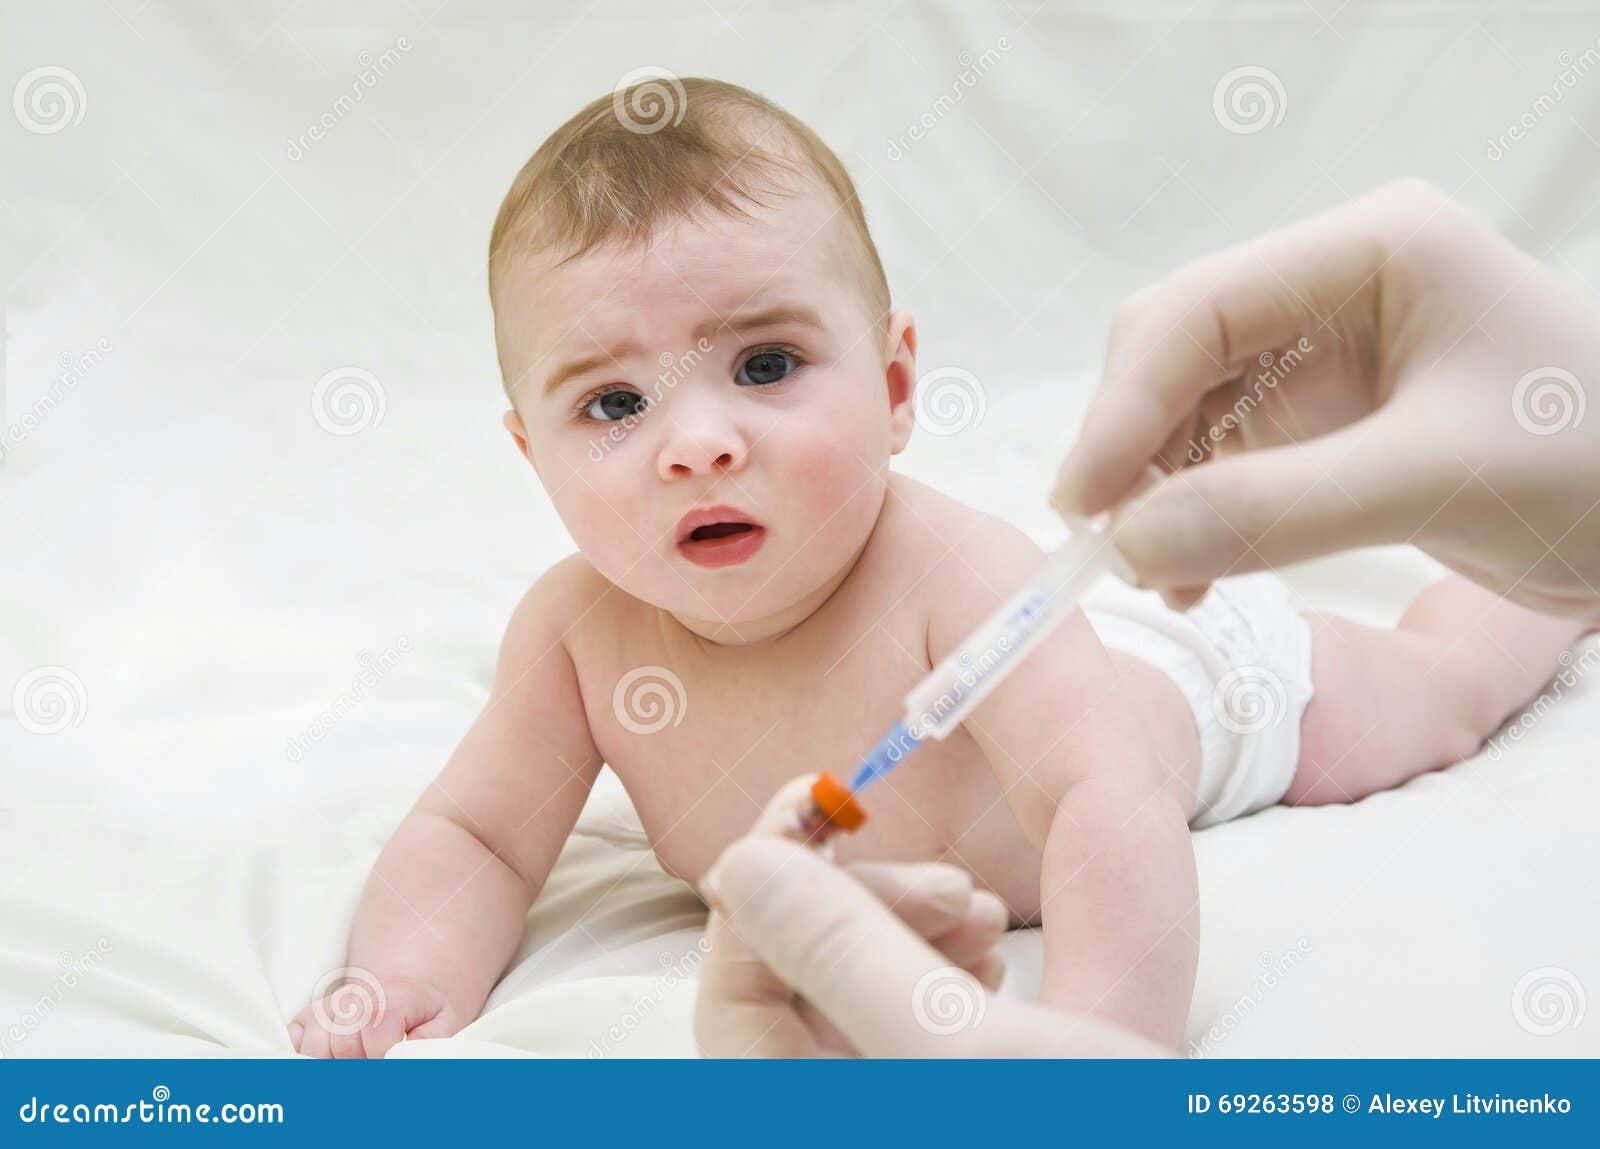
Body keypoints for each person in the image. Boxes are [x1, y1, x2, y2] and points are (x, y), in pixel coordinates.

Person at [694, 182, 1600, 1057]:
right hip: (1089, 611)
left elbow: (1111, 795)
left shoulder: (946, 567)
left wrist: (1098, 1046)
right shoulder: (606, 636)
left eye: (765, 365)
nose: (698, 447)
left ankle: (1562, 585)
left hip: (1211, 677)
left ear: (893, 384)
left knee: (1446, 682)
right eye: (624, 402)